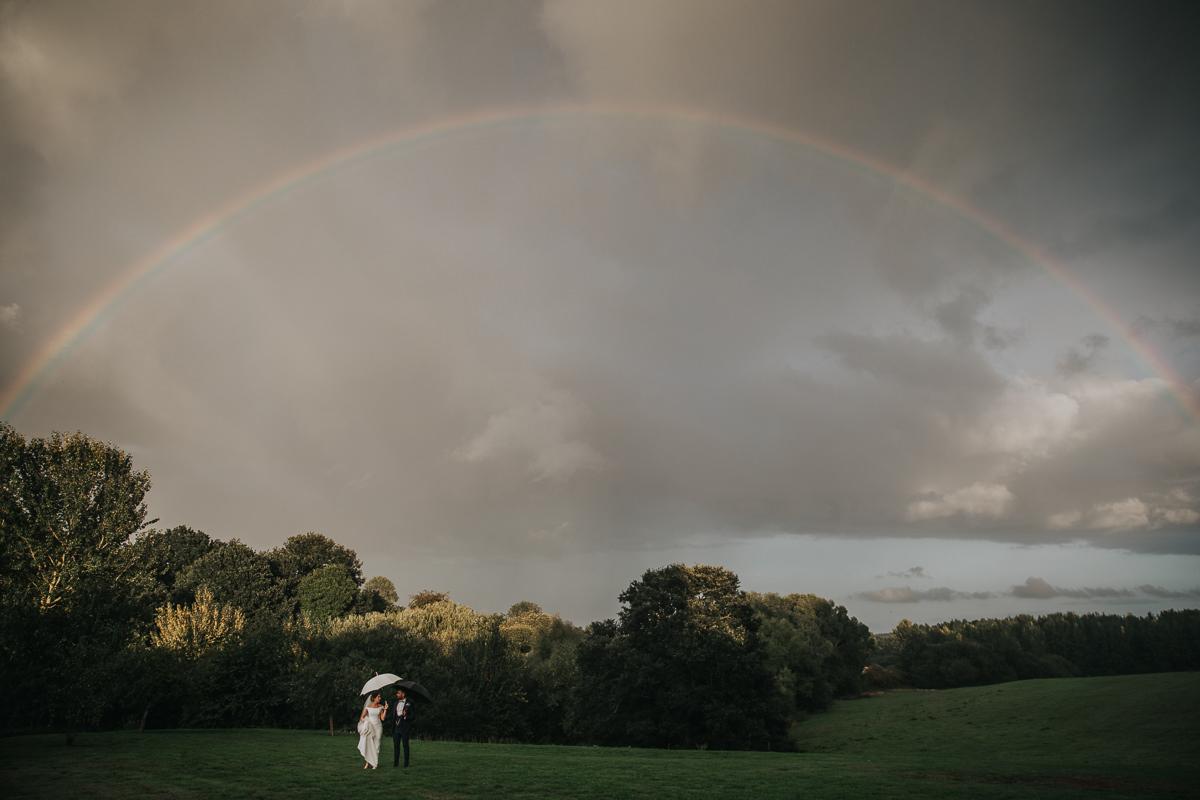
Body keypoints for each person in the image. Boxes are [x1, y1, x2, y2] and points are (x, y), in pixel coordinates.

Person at [357, 692, 387, 769]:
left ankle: (375, 763)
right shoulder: (368, 707)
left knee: (377, 744)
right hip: (370, 727)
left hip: (378, 727)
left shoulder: (381, 707)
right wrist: (366, 722)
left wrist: (385, 709)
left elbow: (382, 718)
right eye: (378, 697)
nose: (380, 698)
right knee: (369, 744)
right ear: (374, 698)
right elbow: (362, 718)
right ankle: (367, 763)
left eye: (380, 697)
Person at [391, 687, 413, 768]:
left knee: (405, 746)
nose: (397, 694)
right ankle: (395, 764)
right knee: (396, 746)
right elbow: (393, 715)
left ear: (403, 694)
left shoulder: (410, 703)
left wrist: (406, 716)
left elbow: (413, 716)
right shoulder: (395, 703)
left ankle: (406, 764)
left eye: (398, 693)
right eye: (397, 693)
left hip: (405, 728)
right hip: (396, 728)